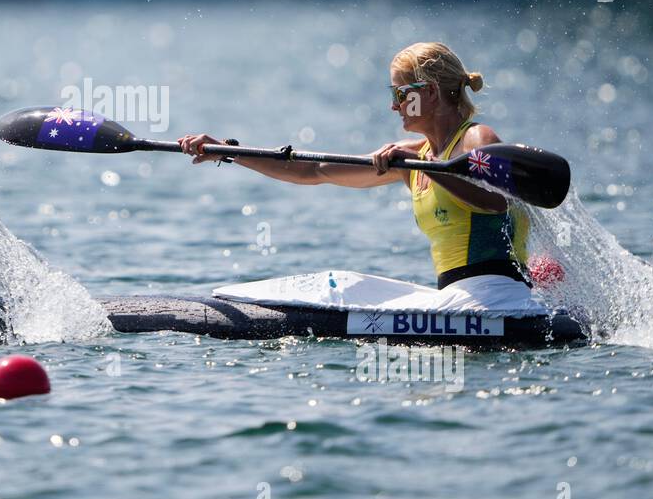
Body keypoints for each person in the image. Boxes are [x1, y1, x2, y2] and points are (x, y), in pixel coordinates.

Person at [177, 41, 541, 313]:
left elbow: (497, 202)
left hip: (498, 295)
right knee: (341, 284)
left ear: (429, 92)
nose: (393, 106)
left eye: (400, 93)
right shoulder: (412, 156)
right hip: (457, 298)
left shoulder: (477, 138)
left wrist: (426, 168)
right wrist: (228, 151)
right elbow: (313, 170)